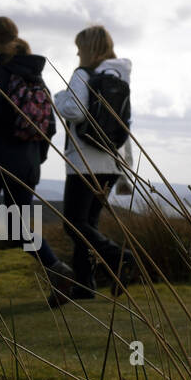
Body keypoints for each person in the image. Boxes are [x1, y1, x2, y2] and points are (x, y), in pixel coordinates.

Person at [0, 16, 74, 307]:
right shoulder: (35, 76)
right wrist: (36, 157)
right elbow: (49, 126)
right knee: (20, 226)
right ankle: (56, 269)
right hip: (26, 163)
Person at [52, 24, 134, 299]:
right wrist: (125, 171)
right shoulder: (119, 79)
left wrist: (58, 98)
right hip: (110, 163)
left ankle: (119, 256)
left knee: (73, 224)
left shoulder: (83, 74)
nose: (76, 52)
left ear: (88, 48)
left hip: (84, 162)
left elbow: (73, 110)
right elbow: (125, 124)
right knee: (87, 225)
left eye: (79, 47)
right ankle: (85, 286)